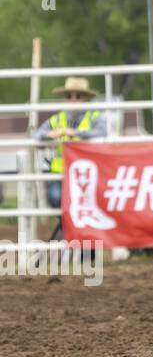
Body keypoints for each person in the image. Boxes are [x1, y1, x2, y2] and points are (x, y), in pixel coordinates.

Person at [32, 77, 106, 247]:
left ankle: (78, 239)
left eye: (78, 96)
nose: (73, 100)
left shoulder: (95, 117)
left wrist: (74, 132)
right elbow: (37, 136)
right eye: (69, 96)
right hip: (61, 174)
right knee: (56, 198)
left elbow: (103, 133)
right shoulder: (57, 120)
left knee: (85, 204)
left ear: (86, 99)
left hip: (87, 175)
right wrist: (51, 134)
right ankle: (75, 234)